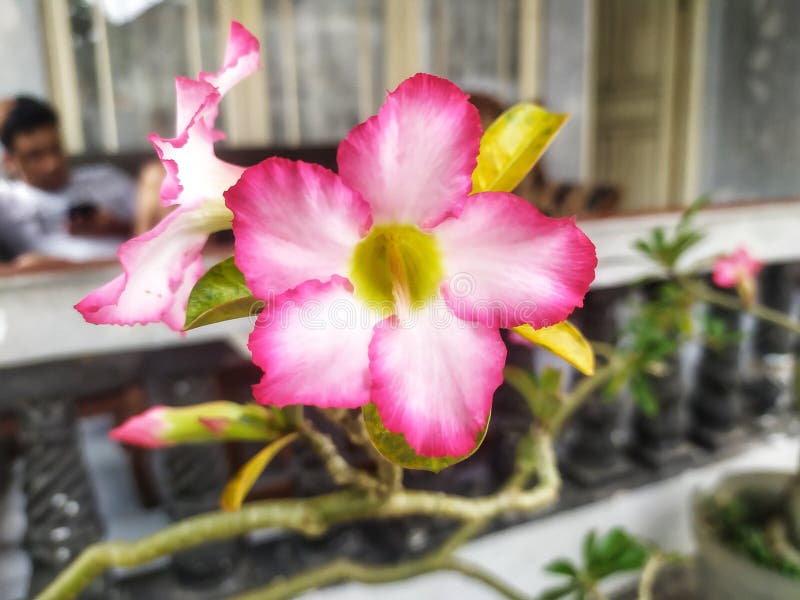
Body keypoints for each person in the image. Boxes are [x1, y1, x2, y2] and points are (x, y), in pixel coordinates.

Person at [0, 96, 135, 266]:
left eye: (55, 148)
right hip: (57, 281)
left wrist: (115, 226)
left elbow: (161, 227)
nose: (52, 164)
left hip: (131, 269)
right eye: (35, 156)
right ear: (10, 161)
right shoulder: (7, 200)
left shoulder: (106, 178)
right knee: (30, 264)